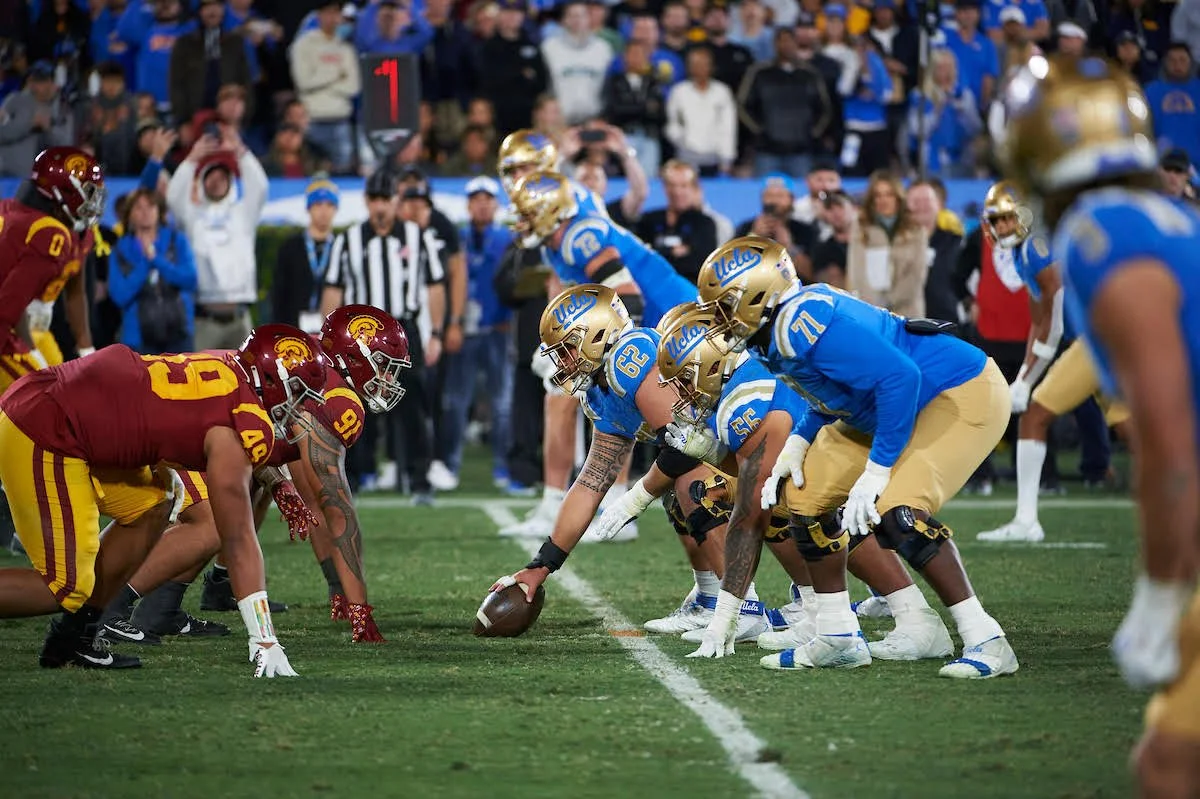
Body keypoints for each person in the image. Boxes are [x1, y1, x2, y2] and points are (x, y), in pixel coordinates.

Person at [1001, 51, 1200, 798]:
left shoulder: (1099, 232)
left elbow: (1168, 432)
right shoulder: (1168, 216)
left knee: (1170, 765)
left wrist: (1157, 594)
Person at [683, 235, 1018, 678]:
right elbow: (832, 390)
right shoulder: (774, 330)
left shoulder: (803, 320)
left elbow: (901, 378)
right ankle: (839, 635)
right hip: (884, 407)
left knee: (897, 512)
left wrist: (877, 471)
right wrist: (801, 440)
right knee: (800, 498)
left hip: (954, 391)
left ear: (759, 295)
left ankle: (986, 638)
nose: (720, 319)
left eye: (726, 305)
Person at [0, 323, 325, 675]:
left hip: (71, 407)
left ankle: (76, 636)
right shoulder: (236, 426)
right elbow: (238, 539)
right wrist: (264, 638)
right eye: (298, 392)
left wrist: (279, 476)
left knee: (156, 503)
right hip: (47, 428)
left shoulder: (230, 367)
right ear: (270, 382)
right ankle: (76, 621)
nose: (301, 406)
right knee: (64, 586)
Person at [493, 286, 809, 643]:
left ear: (596, 334)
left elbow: (687, 444)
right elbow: (592, 482)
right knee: (678, 489)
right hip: (733, 445)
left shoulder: (632, 355)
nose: (562, 362)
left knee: (692, 484)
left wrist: (636, 496)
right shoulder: (599, 393)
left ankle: (747, 608)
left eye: (566, 349)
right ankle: (711, 599)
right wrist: (541, 566)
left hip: (773, 424)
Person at [650, 299, 957, 667]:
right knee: (787, 499)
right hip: (845, 431)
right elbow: (755, 464)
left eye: (685, 378)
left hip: (883, 429)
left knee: (818, 507)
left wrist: (725, 617)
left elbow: (750, 515)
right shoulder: (739, 379)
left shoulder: (743, 401)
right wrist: (716, 455)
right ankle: (817, 612)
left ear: (712, 361)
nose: (682, 393)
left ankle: (912, 615)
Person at [100, 305, 410, 646]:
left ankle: (163, 605)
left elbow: (301, 484)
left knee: (251, 490)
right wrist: (358, 607)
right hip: (168, 416)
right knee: (214, 524)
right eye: (384, 365)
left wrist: (279, 484)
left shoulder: (307, 359)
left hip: (164, 399)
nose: (389, 379)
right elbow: (334, 506)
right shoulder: (336, 400)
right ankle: (106, 608)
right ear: (354, 358)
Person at [975, 181, 1130, 543]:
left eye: (1007, 219)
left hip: (1098, 339)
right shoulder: (1022, 253)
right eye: (995, 221)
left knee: (1038, 414)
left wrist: (1027, 381)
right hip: (1096, 341)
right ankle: (1026, 521)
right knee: (1126, 425)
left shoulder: (1040, 248)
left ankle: (1027, 521)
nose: (1001, 228)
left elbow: (1057, 322)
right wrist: (1025, 375)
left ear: (1025, 216)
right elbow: (1040, 322)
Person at [432, 177, 513, 490]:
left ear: (495, 204)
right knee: (456, 401)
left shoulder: (508, 238)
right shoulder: (458, 238)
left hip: (497, 328)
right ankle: (450, 466)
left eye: (487, 199)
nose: (482, 204)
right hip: (463, 330)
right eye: (476, 199)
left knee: (502, 404)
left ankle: (503, 468)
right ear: (468, 204)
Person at [0, 146, 101, 396]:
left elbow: (76, 292)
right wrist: (29, 352)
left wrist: (87, 351)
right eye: (88, 191)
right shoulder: (48, 232)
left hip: (29, 325)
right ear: (62, 192)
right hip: (10, 324)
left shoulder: (78, 232)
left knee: (70, 397)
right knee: (49, 402)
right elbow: (12, 303)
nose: (95, 200)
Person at [167, 131, 267, 351]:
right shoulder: (192, 215)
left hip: (240, 318)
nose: (216, 181)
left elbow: (259, 187)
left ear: (231, 182)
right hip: (205, 320)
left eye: (222, 176)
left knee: (248, 382)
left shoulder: (243, 213)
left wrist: (242, 153)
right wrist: (191, 160)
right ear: (202, 181)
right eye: (211, 176)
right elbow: (174, 196)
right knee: (202, 381)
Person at [108, 187, 197, 354]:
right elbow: (119, 295)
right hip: (138, 340)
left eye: (150, 206)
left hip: (179, 336)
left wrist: (157, 260)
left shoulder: (176, 241)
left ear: (159, 211)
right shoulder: (120, 249)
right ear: (130, 214)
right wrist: (145, 264)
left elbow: (190, 279)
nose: (145, 212)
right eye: (139, 207)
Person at [271, 179, 343, 334]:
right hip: (293, 329)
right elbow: (279, 295)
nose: (324, 211)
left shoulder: (342, 247)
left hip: (333, 332)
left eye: (329, 205)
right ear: (309, 208)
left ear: (336, 209)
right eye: (318, 205)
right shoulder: (290, 248)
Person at [734, 173, 818, 280]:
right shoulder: (746, 228)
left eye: (780, 196)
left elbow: (813, 276)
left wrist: (789, 247)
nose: (774, 201)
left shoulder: (806, 231)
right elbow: (731, 270)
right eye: (769, 196)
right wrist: (754, 238)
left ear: (792, 199)